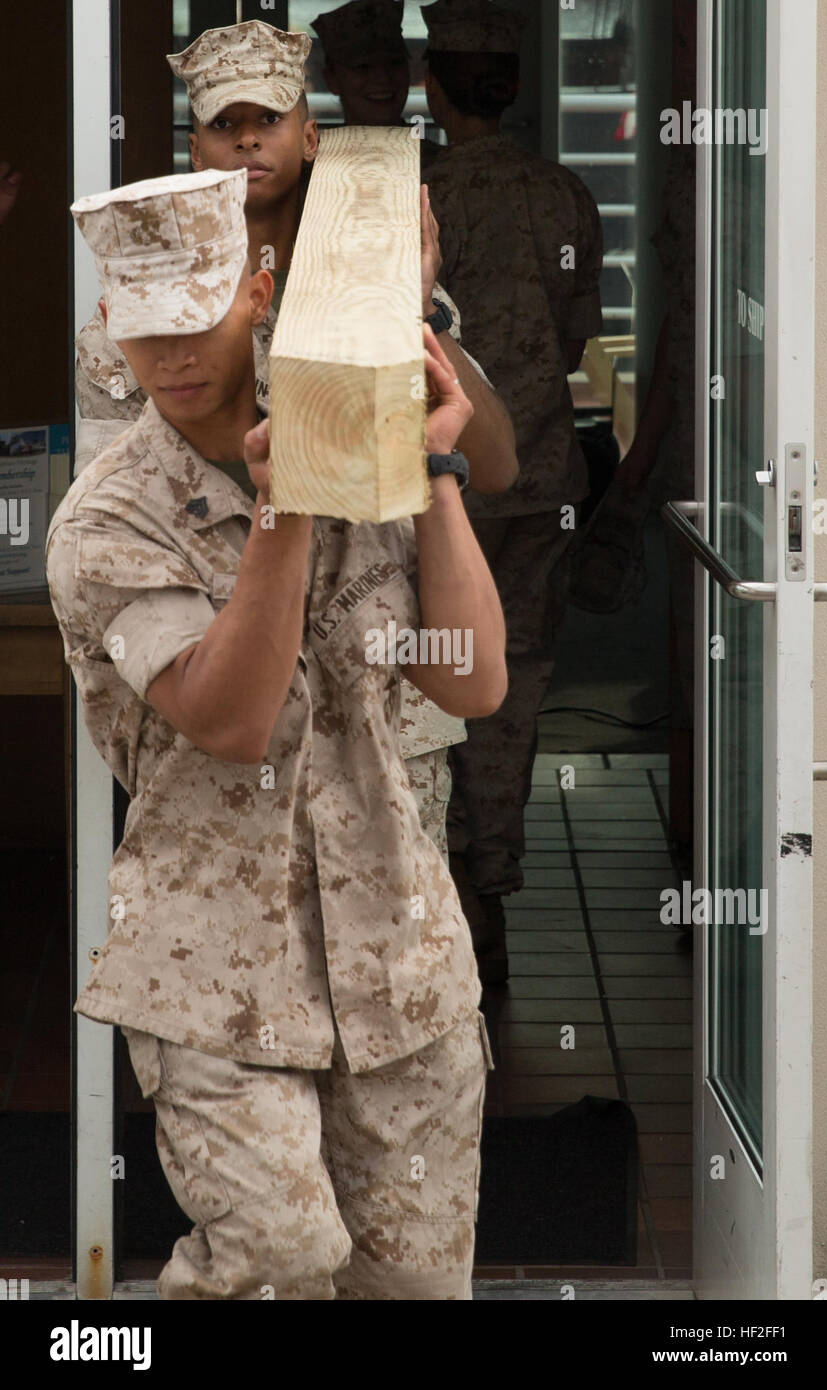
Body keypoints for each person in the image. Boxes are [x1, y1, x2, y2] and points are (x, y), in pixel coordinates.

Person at [47, 165, 506, 1299]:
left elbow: (474, 682)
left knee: (413, 1285)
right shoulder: (106, 519)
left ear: (258, 290)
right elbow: (233, 718)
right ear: (113, 323)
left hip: (398, 955)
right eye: (147, 331)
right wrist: (283, 505)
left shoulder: (351, 422)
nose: (177, 358)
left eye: (200, 319)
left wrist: (436, 471)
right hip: (217, 969)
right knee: (280, 1263)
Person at [72, 18, 518, 861]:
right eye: (222, 123)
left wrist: (408, 310)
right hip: (222, 690)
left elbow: (492, 463)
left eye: (267, 119)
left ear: (310, 136)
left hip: (380, 696)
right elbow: (114, 528)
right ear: (193, 145)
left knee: (392, 944)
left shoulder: (375, 281)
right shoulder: (137, 318)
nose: (246, 139)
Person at [420, 0, 604, 981]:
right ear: (517, 87)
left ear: (432, 84)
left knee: (429, 681)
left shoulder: (415, 199)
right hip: (538, 483)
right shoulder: (565, 193)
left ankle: (442, 895)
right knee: (514, 686)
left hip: (436, 488)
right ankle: (491, 883)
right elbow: (578, 337)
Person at [313, 0, 443, 173]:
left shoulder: (440, 166)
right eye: (363, 66)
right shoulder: (313, 167)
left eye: (394, 63)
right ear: (332, 79)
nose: (382, 78)